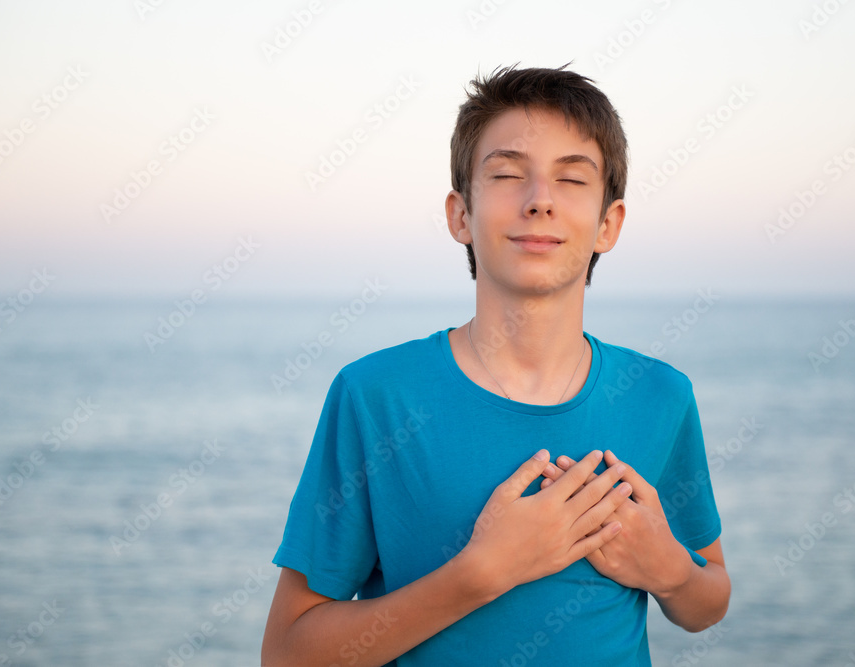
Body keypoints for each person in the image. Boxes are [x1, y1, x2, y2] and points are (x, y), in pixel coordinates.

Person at [262, 63, 730, 666]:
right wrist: (480, 574)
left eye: (571, 180)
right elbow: (288, 653)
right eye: (509, 174)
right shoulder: (375, 396)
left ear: (608, 224)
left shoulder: (661, 395)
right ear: (461, 215)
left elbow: (707, 601)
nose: (539, 201)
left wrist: (672, 573)